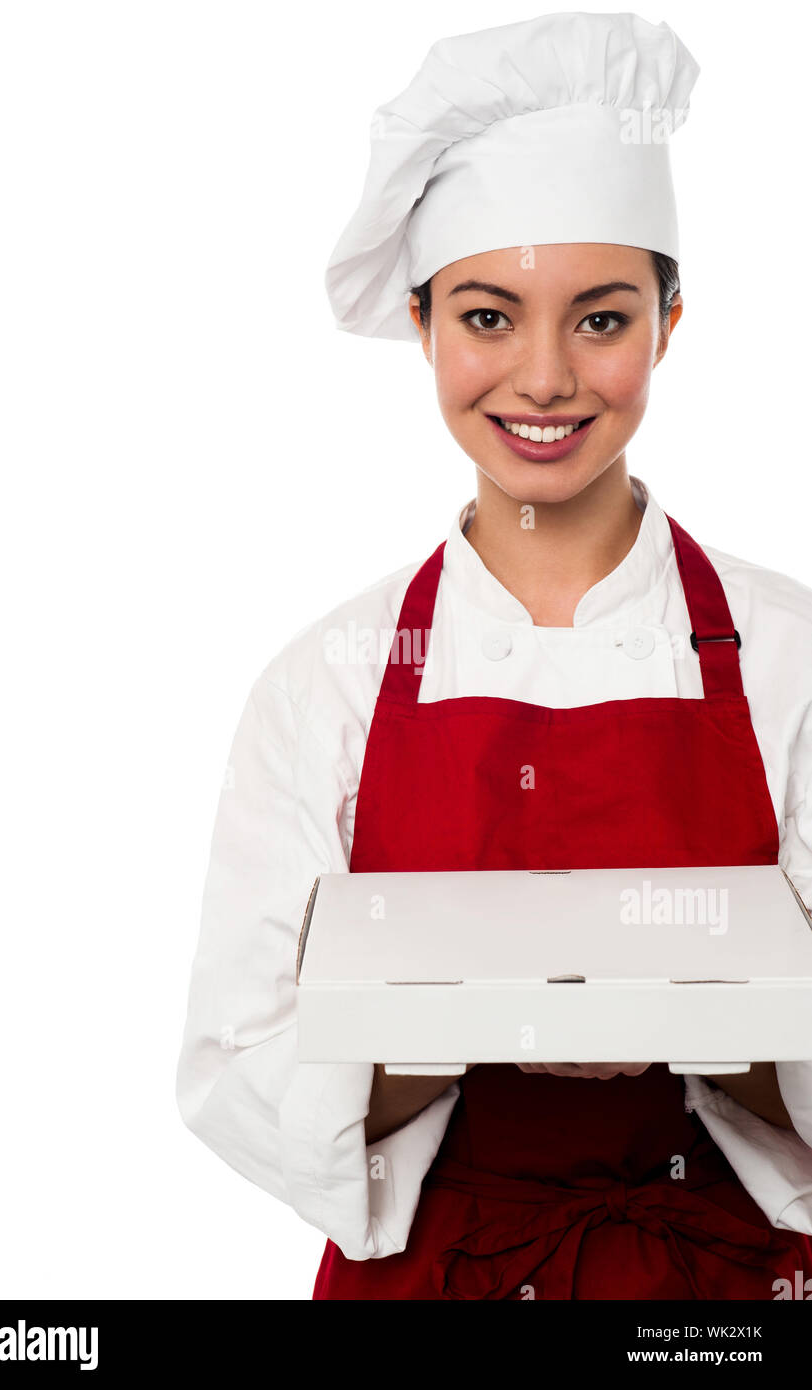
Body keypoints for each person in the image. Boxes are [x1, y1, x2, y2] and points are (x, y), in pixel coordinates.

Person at [176, 12, 812, 1299]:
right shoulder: (331, 682)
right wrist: (479, 1025)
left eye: (599, 317)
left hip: (731, 1282)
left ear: (670, 321)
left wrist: (683, 1029)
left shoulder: (790, 654)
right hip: (436, 1273)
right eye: (486, 314)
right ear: (420, 325)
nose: (542, 376)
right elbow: (231, 1065)